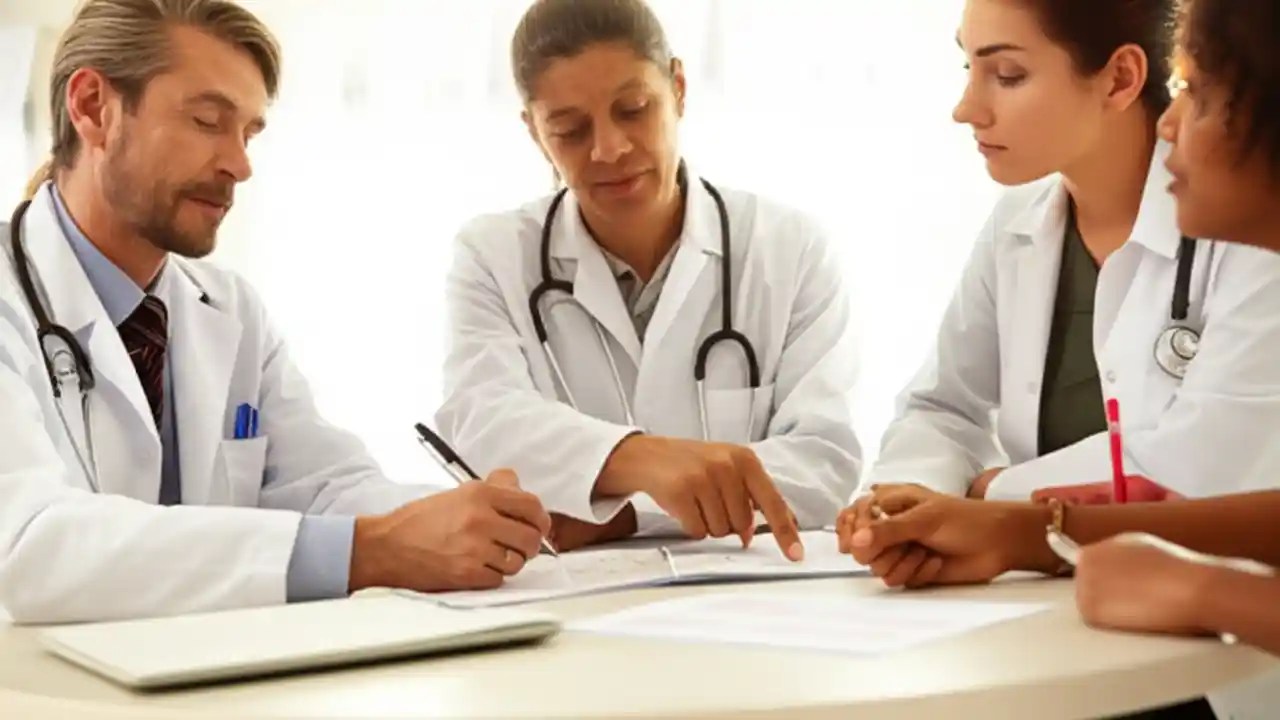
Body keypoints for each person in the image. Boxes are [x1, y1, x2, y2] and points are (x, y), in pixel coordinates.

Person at [0, 0, 552, 625]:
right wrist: (368, 550)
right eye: (208, 121)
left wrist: (469, 518)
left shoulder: (230, 310)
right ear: (94, 107)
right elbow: (28, 546)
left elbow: (326, 487)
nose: (239, 164)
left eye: (249, 132)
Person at [435, 0, 860, 556]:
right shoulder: (493, 254)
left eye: (633, 109)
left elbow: (822, 460)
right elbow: (484, 423)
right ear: (535, 132)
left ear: (678, 88)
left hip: (749, 599)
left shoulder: (789, 246)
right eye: (569, 129)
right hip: (569, 604)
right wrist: (642, 461)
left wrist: (626, 515)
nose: (609, 148)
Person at [865, 0, 1280, 503]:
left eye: (1008, 74)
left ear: (1120, 79)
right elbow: (944, 408)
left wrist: (997, 501)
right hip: (1040, 577)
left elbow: (1211, 460)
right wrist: (910, 495)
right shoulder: (1016, 226)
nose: (965, 108)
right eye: (968, 67)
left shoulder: (1251, 222)